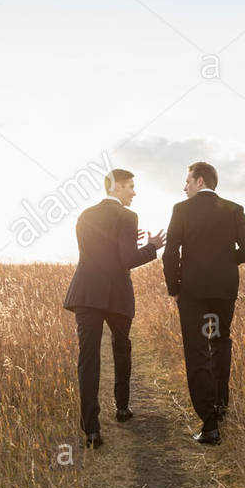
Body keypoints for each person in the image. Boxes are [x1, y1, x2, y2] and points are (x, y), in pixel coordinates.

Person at [62, 169, 165, 448]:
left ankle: (91, 430)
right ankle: (122, 408)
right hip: (116, 295)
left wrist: (129, 241)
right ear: (117, 187)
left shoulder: (85, 215)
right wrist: (152, 247)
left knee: (88, 359)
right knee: (121, 348)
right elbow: (126, 259)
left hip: (85, 293)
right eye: (130, 186)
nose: (133, 191)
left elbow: (97, 252)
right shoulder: (127, 216)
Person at [161, 161, 245, 445]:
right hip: (224, 290)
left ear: (200, 181)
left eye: (188, 181)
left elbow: (170, 254)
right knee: (219, 343)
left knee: (197, 350)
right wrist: (225, 264)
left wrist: (174, 288)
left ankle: (210, 423)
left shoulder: (181, 210)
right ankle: (220, 407)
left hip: (193, 293)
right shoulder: (234, 209)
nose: (185, 187)